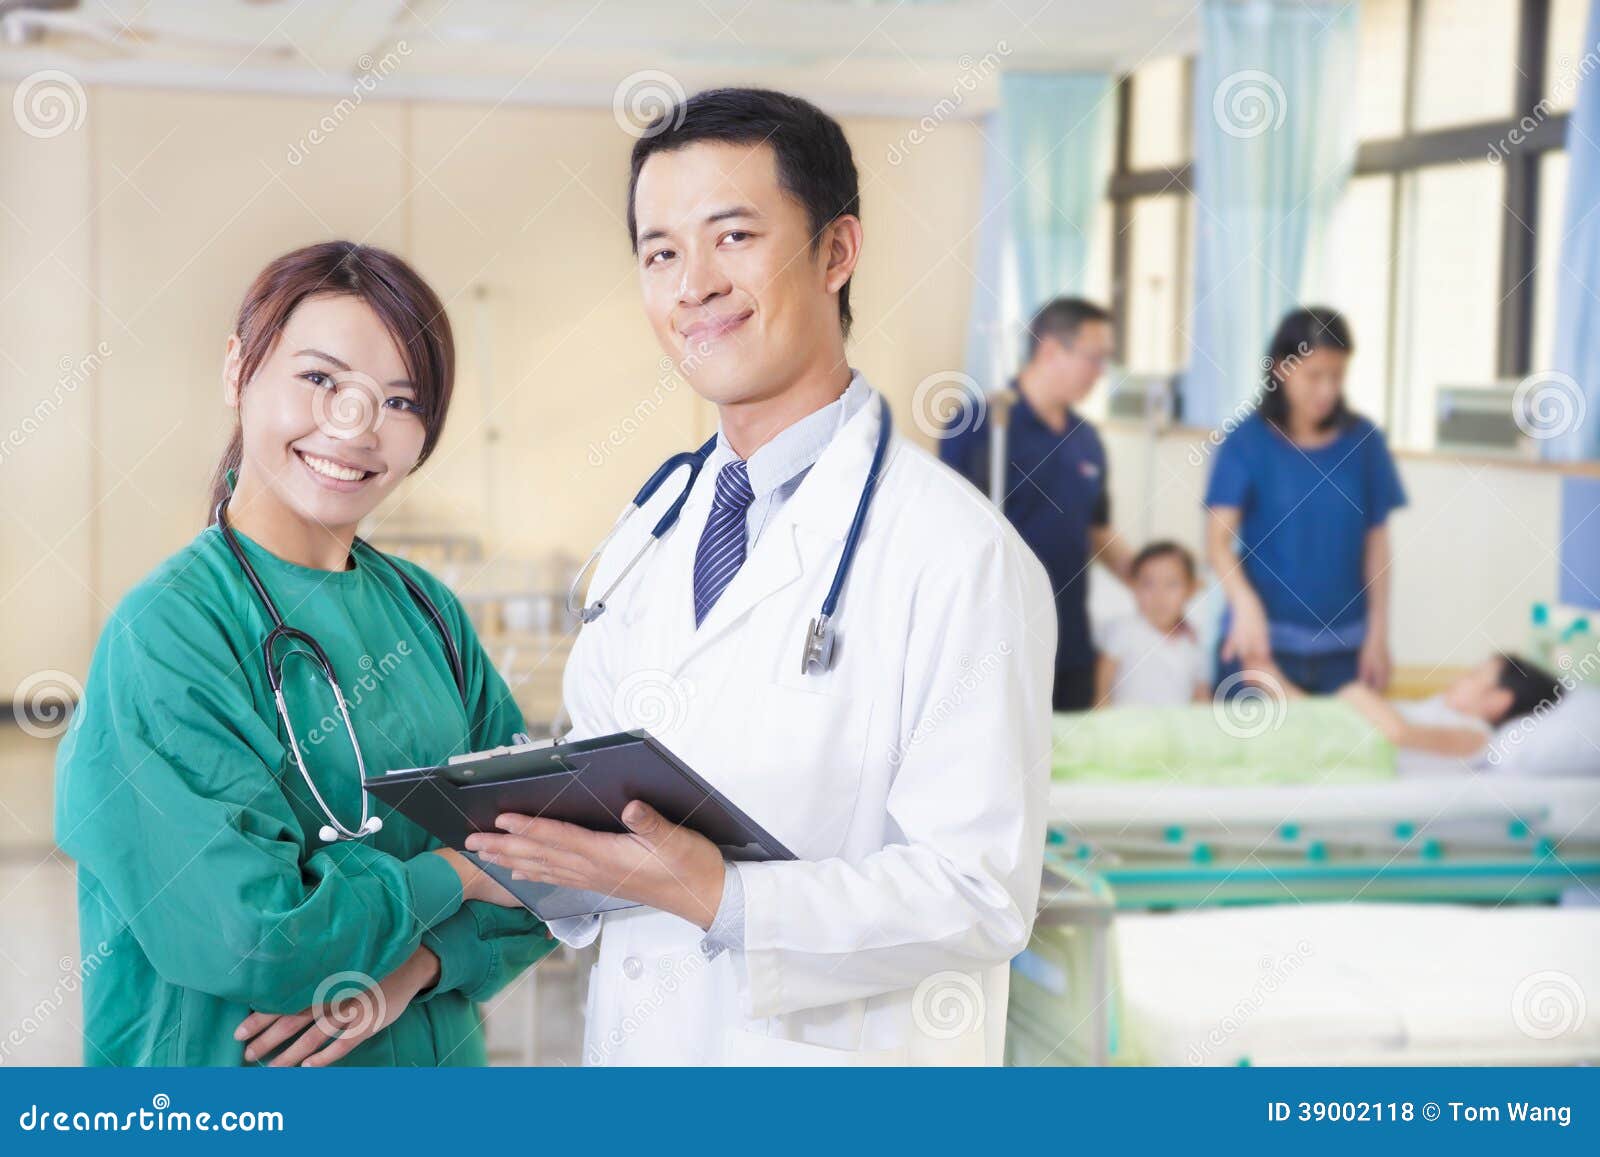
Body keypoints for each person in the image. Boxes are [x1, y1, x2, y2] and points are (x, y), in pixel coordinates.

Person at [465, 87, 1056, 1066]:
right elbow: (612, 810)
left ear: (836, 252)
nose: (691, 284)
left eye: (731, 236)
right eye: (659, 253)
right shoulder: (650, 531)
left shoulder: (959, 555)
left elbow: (980, 892)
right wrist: (507, 850)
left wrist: (719, 894)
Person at [54, 242, 547, 1067]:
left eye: (399, 399)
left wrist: (418, 968)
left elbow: (550, 862)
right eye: (320, 380)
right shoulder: (172, 633)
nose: (354, 426)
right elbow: (257, 936)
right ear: (238, 371)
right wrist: (456, 875)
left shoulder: (429, 614)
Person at [940, 297, 1133, 711]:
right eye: (1094, 358)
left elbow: (1097, 531)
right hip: (1000, 650)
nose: (1101, 373)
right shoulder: (980, 427)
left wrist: (1154, 586)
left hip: (1071, 648)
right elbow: (948, 537)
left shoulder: (1086, 440)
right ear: (1049, 350)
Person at [1205, 307, 1406, 696]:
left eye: (1337, 376)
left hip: (1346, 655)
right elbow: (1217, 543)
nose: (1327, 390)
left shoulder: (1364, 443)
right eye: (1315, 376)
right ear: (1281, 368)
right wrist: (1244, 604)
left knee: (1346, 756)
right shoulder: (1245, 442)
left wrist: (1379, 635)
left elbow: (1377, 546)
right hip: (1260, 647)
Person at [1243, 653, 1564, 773]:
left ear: (1498, 701)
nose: (1460, 678)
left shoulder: (1477, 738)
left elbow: (1399, 734)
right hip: (1327, 731)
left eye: (1474, 676)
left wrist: (1358, 693)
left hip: (1338, 745)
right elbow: (1344, 721)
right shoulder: (1438, 709)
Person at [1094, 540, 1207, 708]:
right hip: (1125, 729)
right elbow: (1101, 690)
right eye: (1148, 584)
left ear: (1191, 589)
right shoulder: (1124, 630)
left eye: (1171, 584)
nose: (1159, 595)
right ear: (1133, 586)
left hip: (1174, 731)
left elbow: (1201, 698)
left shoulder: (1192, 640)